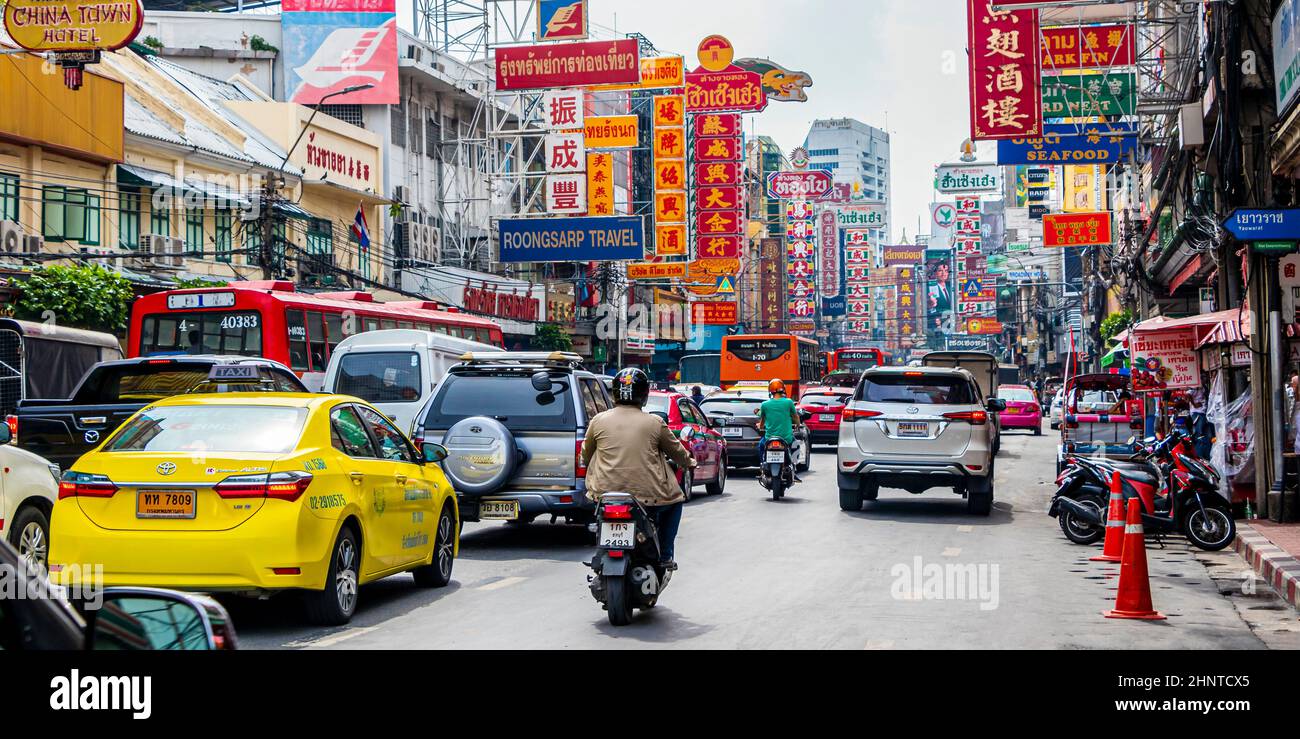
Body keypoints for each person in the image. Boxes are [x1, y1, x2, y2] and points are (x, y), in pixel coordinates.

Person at [582, 367, 695, 569]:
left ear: (615, 393)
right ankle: (665, 556)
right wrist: (689, 462)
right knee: (676, 502)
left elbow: (585, 454)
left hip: (603, 494)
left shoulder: (598, 421)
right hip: (649, 497)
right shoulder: (655, 422)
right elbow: (678, 452)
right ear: (644, 395)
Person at [757, 378, 803, 479]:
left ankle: (762, 467)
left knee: (760, 446)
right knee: (796, 447)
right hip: (786, 438)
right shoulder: (788, 402)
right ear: (783, 390)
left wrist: (760, 427)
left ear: (770, 391)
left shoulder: (765, 405)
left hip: (769, 438)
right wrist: (798, 425)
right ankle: (794, 468)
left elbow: (762, 420)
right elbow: (795, 417)